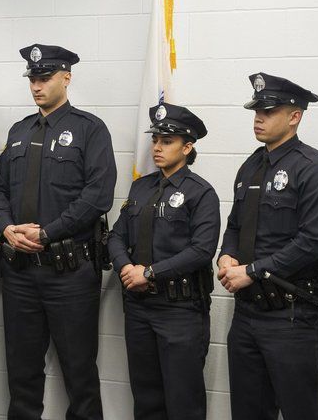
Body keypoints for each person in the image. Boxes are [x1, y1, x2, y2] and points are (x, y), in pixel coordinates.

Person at [0, 44, 116, 420]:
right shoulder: (19, 131)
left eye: (45, 78)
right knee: (22, 373)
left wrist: (46, 234)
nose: (37, 86)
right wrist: (8, 228)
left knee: (79, 374)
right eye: (33, 79)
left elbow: (98, 196)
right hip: (20, 273)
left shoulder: (89, 129)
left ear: (66, 78)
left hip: (69, 273)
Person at [217, 73, 318, 420]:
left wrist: (252, 271)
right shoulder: (251, 165)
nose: (258, 117)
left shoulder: (316, 169)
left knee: (304, 411)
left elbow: (313, 242)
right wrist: (226, 255)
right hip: (248, 315)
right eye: (256, 110)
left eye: (269, 111)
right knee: (249, 410)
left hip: (293, 317)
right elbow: (235, 224)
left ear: (294, 116)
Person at [107, 102, 220, 420]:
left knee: (183, 401)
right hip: (139, 308)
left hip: (179, 311)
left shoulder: (201, 193)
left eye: (166, 141)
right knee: (146, 400)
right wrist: (125, 267)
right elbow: (116, 236)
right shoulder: (141, 188)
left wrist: (151, 272)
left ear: (187, 147)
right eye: (155, 140)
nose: (157, 147)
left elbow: (201, 251)